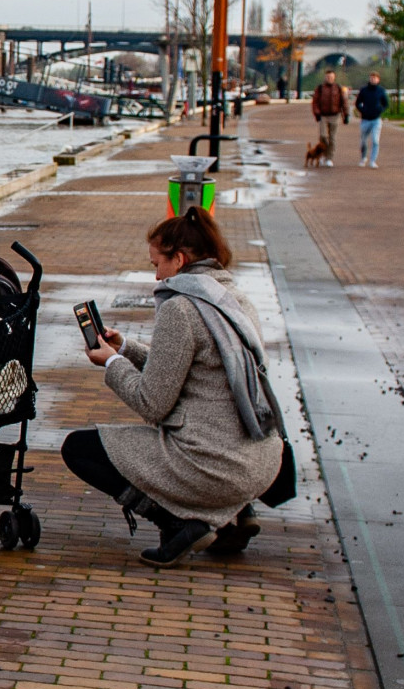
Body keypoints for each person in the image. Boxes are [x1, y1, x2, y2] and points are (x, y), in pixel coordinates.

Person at [61, 208, 286, 567]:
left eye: (157, 263)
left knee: (79, 449)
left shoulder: (180, 308)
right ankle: (233, 517)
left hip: (216, 466)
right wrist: (127, 348)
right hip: (262, 460)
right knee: (206, 431)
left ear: (179, 260)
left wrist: (111, 363)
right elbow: (196, 369)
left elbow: (153, 403)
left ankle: (179, 526)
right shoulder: (233, 299)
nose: (155, 274)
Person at [310, 70, 348, 164]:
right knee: (323, 136)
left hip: (335, 115)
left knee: (332, 138)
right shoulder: (320, 88)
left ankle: (329, 158)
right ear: (325, 77)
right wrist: (317, 113)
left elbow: (344, 102)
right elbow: (315, 102)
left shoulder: (338, 88)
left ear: (334, 78)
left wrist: (346, 115)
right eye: (327, 77)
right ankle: (324, 153)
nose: (329, 79)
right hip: (323, 115)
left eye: (331, 77)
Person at [356, 72, 389, 168]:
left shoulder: (381, 91)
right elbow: (358, 102)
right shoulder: (364, 90)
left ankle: (373, 161)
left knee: (375, 140)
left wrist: (380, 110)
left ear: (378, 79)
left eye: (375, 78)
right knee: (363, 140)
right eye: (371, 78)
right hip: (365, 119)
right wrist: (363, 110)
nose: (373, 80)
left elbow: (385, 103)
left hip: (376, 119)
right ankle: (363, 158)